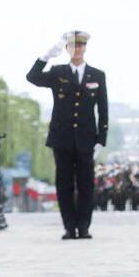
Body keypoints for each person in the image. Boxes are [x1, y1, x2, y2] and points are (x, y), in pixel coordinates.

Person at [27, 31, 108, 239]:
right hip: (61, 137)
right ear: (67, 49)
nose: (77, 49)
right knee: (64, 183)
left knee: (86, 184)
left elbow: (103, 109)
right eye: (72, 46)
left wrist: (101, 139)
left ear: (85, 48)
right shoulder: (57, 72)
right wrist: (46, 56)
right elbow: (32, 77)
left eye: (80, 45)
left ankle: (84, 226)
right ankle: (69, 227)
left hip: (86, 138)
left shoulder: (97, 75)